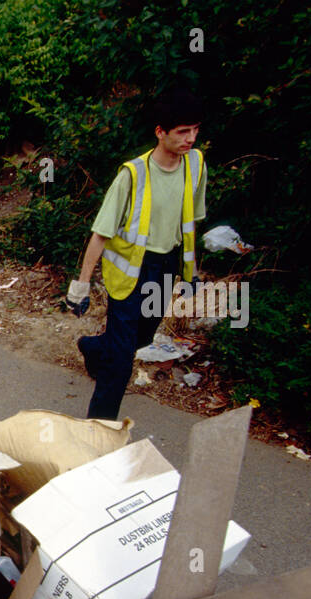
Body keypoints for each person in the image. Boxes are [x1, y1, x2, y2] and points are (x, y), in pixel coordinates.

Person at [67, 89, 207, 420]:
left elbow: (189, 223)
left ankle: (92, 346)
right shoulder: (132, 175)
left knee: (139, 338)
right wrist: (82, 285)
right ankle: (99, 432)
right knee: (120, 362)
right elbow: (101, 233)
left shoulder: (196, 165)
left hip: (166, 266)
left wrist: (192, 273)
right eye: (182, 131)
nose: (191, 138)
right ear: (161, 132)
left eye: (195, 130)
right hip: (131, 273)